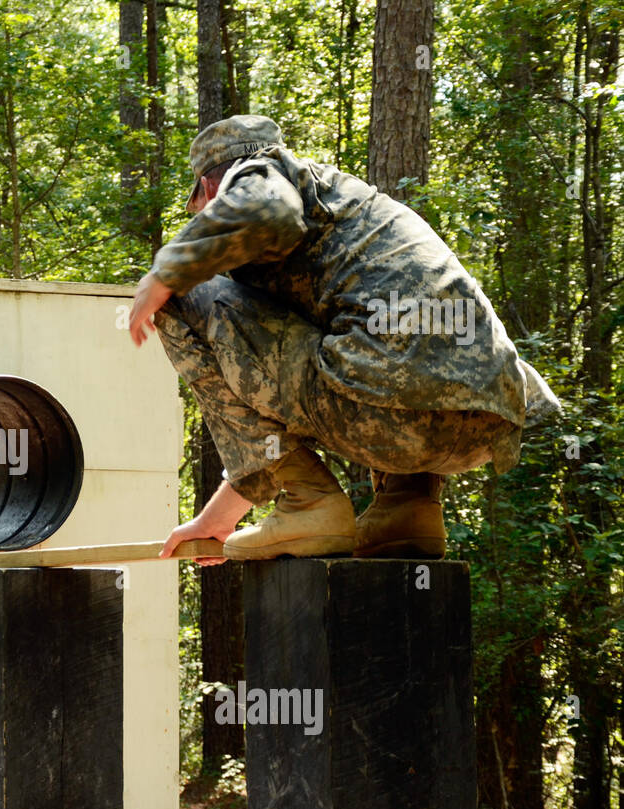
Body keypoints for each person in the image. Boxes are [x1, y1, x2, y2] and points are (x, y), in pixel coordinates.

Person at [127, 114, 560, 563]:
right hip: (488, 418)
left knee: (180, 298)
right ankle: (409, 506)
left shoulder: (255, 173)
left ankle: (308, 499)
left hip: (390, 410)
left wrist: (167, 273)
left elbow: (266, 209)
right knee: (374, 330)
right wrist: (219, 518)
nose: (202, 216)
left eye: (199, 205)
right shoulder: (352, 206)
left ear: (209, 188)